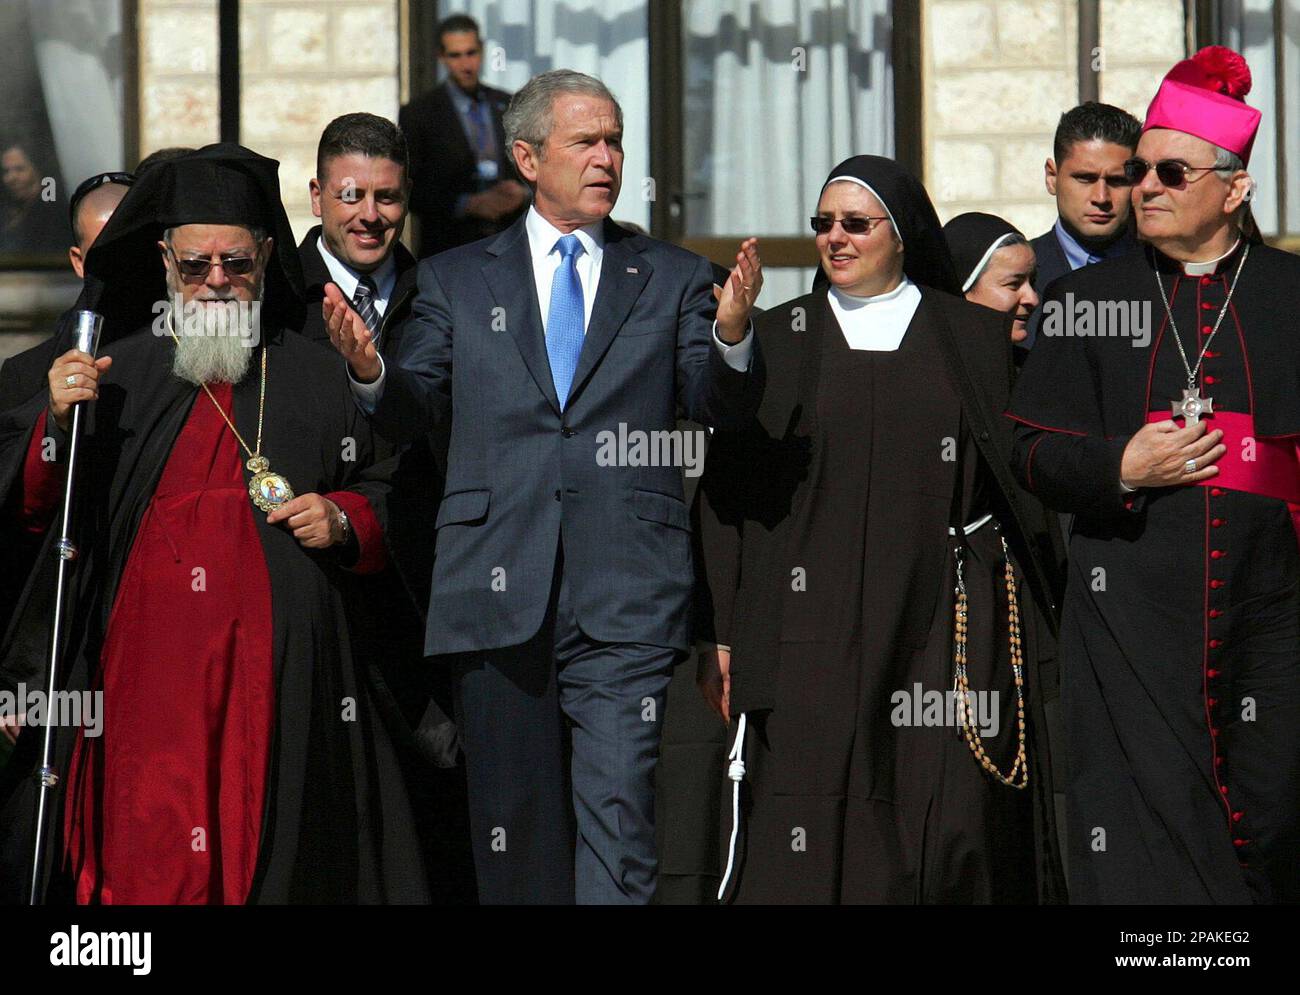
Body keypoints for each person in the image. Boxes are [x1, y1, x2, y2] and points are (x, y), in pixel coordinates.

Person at [328, 68, 764, 904]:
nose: (608, 158)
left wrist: (734, 335)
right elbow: (413, 401)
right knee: (514, 827)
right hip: (495, 587)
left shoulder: (668, 276)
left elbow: (718, 404)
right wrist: (371, 367)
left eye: (615, 141)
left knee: (622, 814)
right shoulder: (457, 280)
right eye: (586, 142)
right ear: (527, 157)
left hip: (626, 588)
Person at [0, 143, 427, 904]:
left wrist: (344, 515)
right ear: (166, 260)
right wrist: (52, 423)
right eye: (197, 266)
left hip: (285, 679)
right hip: (143, 684)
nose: (219, 281)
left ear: (266, 254)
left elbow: (394, 482)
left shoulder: (317, 366)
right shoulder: (112, 372)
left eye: (237, 262)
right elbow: (35, 513)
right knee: (150, 856)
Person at [694, 155, 1065, 904]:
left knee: (938, 811)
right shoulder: (782, 332)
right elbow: (731, 479)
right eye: (822, 224)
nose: (835, 237)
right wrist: (725, 633)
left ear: (901, 235)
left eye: (855, 223)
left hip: (936, 622)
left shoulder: (970, 334)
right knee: (808, 807)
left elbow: (1017, 476)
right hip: (808, 628)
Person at [1008, 46, 1300, 904]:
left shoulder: (1289, 294)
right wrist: (1119, 465)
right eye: (1141, 171)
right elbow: (1028, 449)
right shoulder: (1085, 298)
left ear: (1235, 189)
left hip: (1271, 618)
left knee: (1274, 821)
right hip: (1130, 624)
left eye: (1173, 171)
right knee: (1144, 845)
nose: (1145, 188)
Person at [298, 112, 474, 903]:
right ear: (317, 195)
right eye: (351, 195)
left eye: (388, 197)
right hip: (309, 584)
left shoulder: (448, 292)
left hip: (424, 589)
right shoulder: (273, 296)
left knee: (432, 805)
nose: (370, 214)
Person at [399, 13, 528, 257]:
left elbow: (533, 163)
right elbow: (410, 190)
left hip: (508, 239)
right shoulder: (419, 113)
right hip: (450, 246)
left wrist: (522, 193)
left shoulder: (507, 103)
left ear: (481, 51)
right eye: (455, 55)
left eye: (471, 53)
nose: (465, 64)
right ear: (441, 57)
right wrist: (468, 205)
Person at [1024, 103, 1141, 349]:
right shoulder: (1019, 282)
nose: (1101, 197)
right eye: (1085, 178)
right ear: (1052, 177)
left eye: (1117, 181)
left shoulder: (1167, 276)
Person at [944, 211, 1039, 346]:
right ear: (961, 290)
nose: (1033, 299)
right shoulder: (923, 364)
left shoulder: (1031, 364)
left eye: (1032, 282)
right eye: (1014, 284)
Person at [0, 141, 65, 254]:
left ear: (37, 170)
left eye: (19, 169)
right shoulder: (6, 213)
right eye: (6, 171)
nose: (11, 177)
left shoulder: (55, 214)